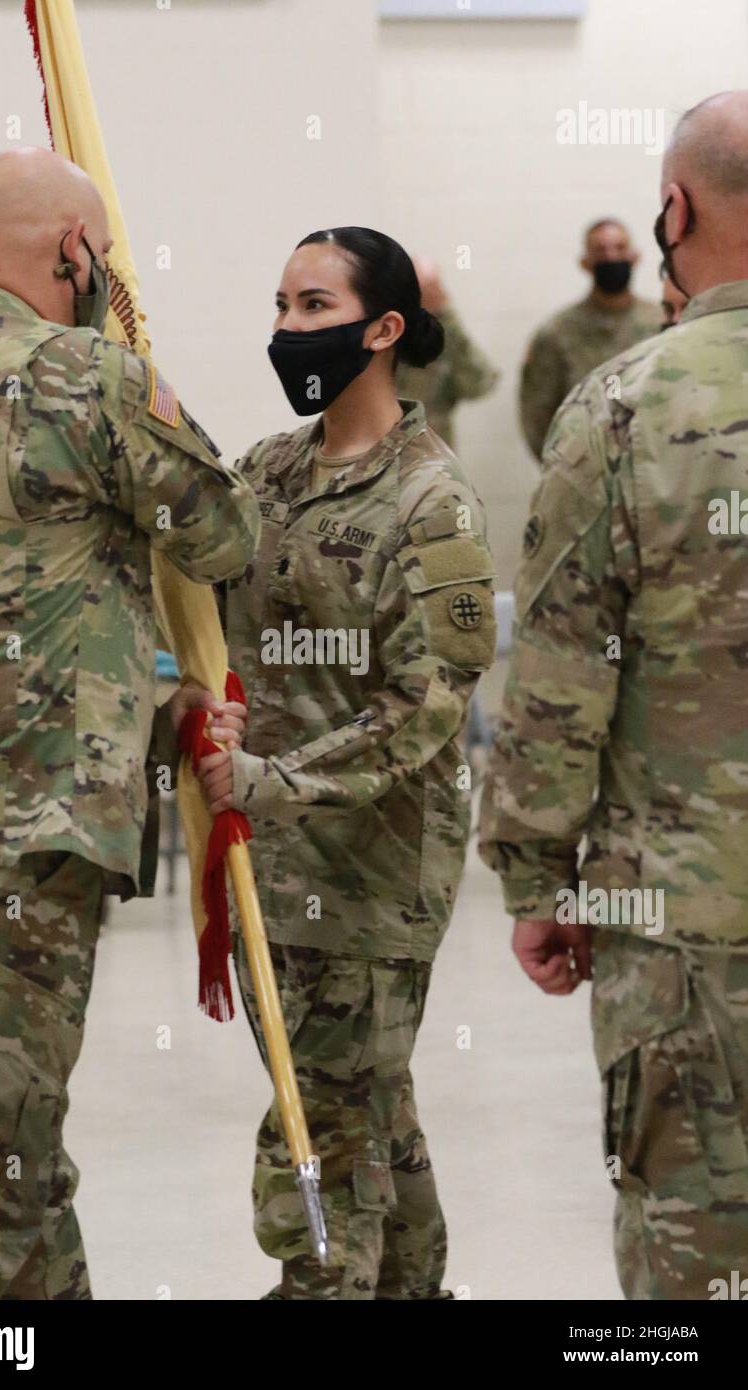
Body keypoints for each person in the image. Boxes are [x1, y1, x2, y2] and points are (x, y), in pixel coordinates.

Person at [0, 146, 258, 1299]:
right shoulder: (80, 376)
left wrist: (152, 696)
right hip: (21, 842)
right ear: (74, 253)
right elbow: (225, 535)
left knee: (5, 1149)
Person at [479, 91, 748, 1301]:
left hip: (683, 935)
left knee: (693, 1251)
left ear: (672, 210)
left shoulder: (627, 409)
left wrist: (538, 881)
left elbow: (555, 682)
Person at [197, 225, 496, 1300]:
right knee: (369, 1109)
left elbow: (425, 707)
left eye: (313, 307)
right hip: (271, 865)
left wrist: (274, 780)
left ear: (383, 328)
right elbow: (194, 573)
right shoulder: (269, 473)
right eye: (279, 304)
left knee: (317, 1129)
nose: (286, 328)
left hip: (368, 876)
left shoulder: (431, 501)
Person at [519, 218, 661, 460]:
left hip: (652, 470)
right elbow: (537, 416)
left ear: (635, 256)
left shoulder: (661, 324)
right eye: (601, 250)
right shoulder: (556, 333)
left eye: (619, 248)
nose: (611, 257)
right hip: (582, 474)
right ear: (585, 263)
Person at [395, 254, 499, 450]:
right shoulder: (372, 338)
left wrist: (445, 317)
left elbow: (480, 385)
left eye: (427, 290)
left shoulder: (444, 340)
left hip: (432, 463)